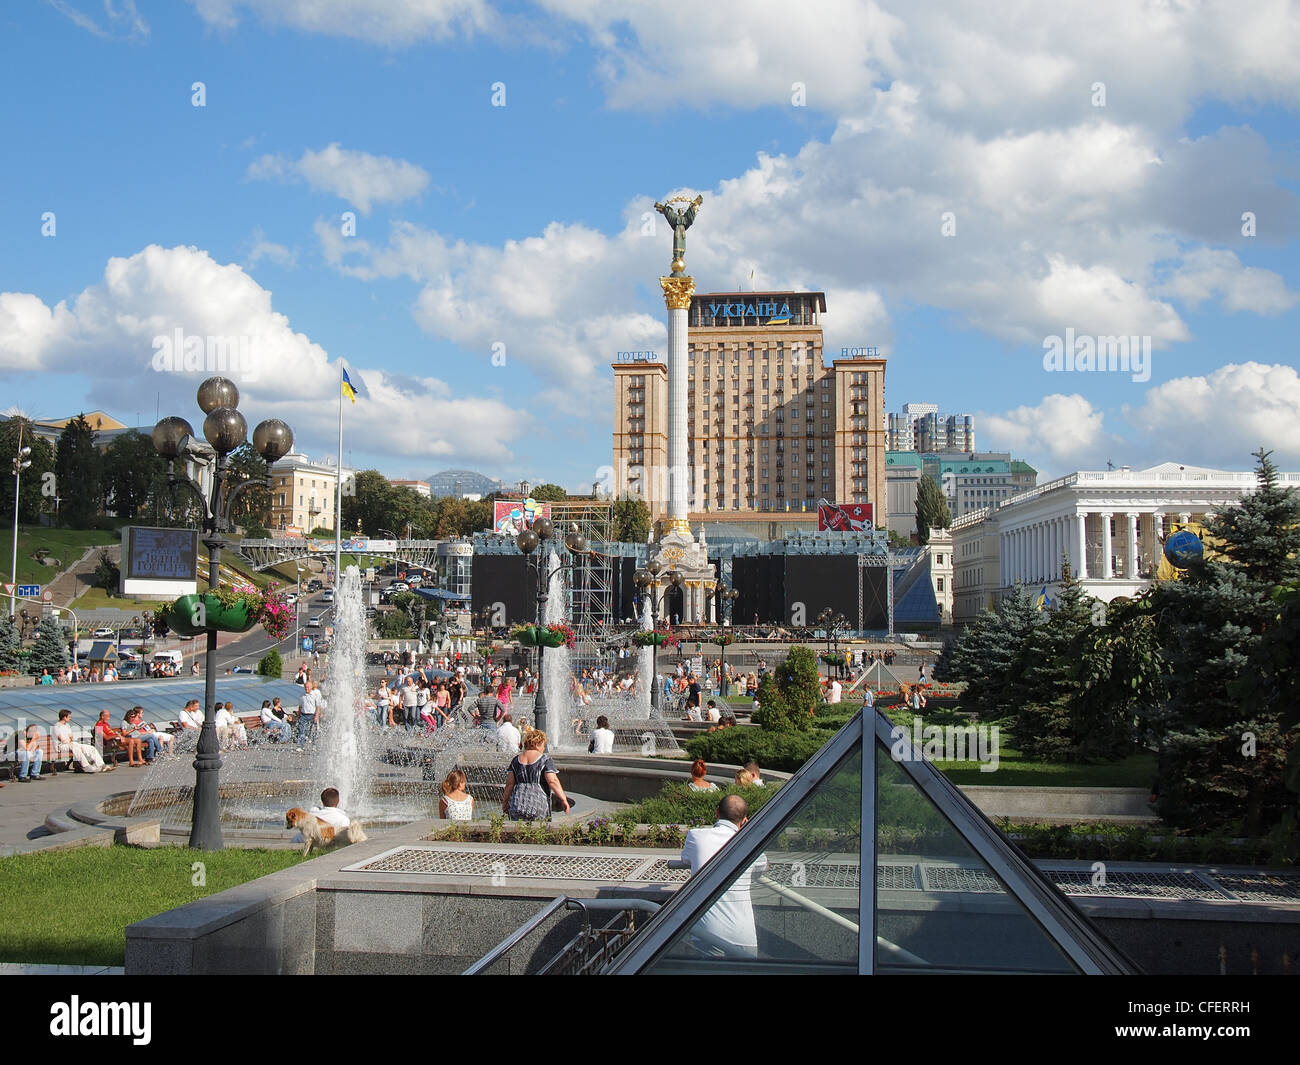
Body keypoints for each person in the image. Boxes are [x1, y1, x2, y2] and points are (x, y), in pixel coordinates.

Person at [680, 794, 769, 958]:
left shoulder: (696, 836)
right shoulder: (749, 842)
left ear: (716, 813)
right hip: (744, 934)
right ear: (744, 820)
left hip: (707, 933)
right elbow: (764, 866)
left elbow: (685, 859)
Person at [502, 729, 571, 820]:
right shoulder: (545, 759)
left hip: (517, 803)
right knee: (538, 831)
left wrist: (505, 802)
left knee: (519, 832)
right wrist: (563, 799)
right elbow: (552, 781)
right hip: (538, 803)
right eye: (543, 745)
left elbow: (509, 784)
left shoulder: (515, 760)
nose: (543, 748)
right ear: (537, 744)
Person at [297, 680, 324, 745]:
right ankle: (300, 746)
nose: (307, 688)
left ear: (311, 687)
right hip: (303, 715)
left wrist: (317, 716)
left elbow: (318, 706)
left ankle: (314, 745)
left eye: (308, 687)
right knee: (302, 730)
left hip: (312, 715)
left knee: (313, 731)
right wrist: (298, 715)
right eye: (306, 687)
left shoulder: (315, 695)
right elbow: (300, 706)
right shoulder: (302, 695)